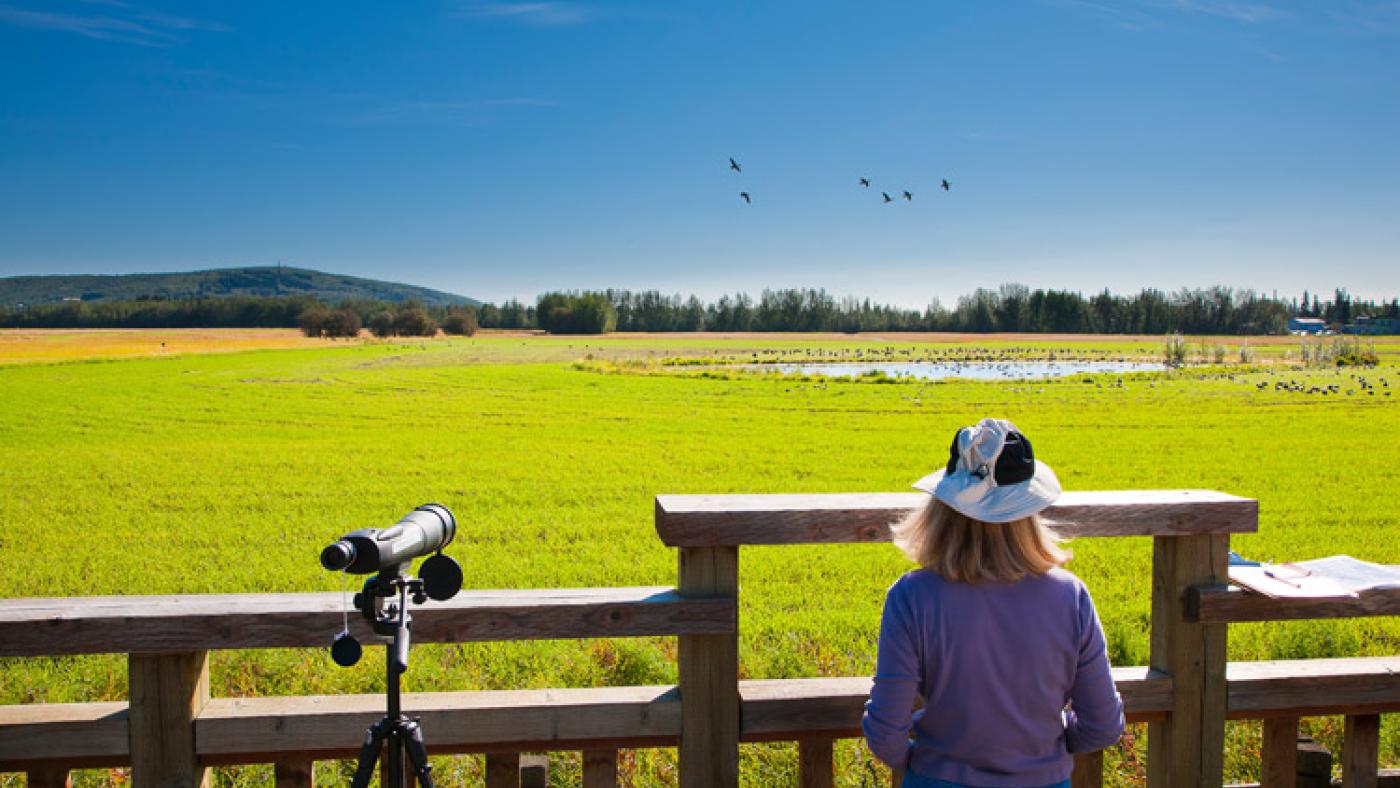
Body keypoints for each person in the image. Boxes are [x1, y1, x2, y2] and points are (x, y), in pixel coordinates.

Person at [862, 418, 1124, 788]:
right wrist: (1050, 751)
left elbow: (886, 729)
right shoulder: (1071, 596)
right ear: (1029, 511)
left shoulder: (912, 597)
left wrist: (923, 764)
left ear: (942, 508)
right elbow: (1103, 724)